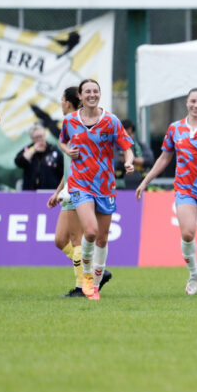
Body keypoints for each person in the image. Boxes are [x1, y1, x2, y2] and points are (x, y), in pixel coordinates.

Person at [135, 88, 197, 296]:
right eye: (193, 101)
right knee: (187, 233)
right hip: (184, 188)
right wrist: (145, 181)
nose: (196, 105)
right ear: (187, 102)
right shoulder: (175, 129)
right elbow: (164, 158)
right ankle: (194, 274)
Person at [60, 79, 134, 300]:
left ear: (99, 95)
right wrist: (67, 150)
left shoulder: (111, 121)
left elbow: (127, 146)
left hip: (105, 186)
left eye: (95, 91)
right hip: (80, 184)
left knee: (102, 238)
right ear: (80, 96)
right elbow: (62, 141)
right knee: (90, 231)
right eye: (87, 92)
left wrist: (128, 161)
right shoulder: (70, 121)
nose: (92, 95)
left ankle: (97, 281)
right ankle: (87, 279)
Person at [46, 87, 104, 298]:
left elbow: (79, 163)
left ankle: (82, 286)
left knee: (76, 239)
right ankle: (96, 270)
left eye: (62, 99)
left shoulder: (75, 124)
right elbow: (70, 166)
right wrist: (58, 191)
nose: (60, 103)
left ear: (68, 102)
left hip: (79, 189)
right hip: (70, 188)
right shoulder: (70, 125)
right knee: (61, 240)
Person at [15, 123, 64, 190]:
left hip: (50, 193)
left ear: (45, 136)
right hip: (30, 192)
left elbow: (63, 172)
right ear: (32, 138)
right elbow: (18, 162)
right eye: (36, 137)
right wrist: (33, 150)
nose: (39, 139)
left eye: (41, 136)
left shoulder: (54, 150)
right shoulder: (28, 149)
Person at [116, 118, 155, 188]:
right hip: (119, 188)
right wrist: (137, 164)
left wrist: (130, 160)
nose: (129, 137)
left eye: (130, 134)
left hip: (140, 186)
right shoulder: (114, 147)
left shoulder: (140, 146)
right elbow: (114, 163)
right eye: (126, 134)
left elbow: (149, 159)